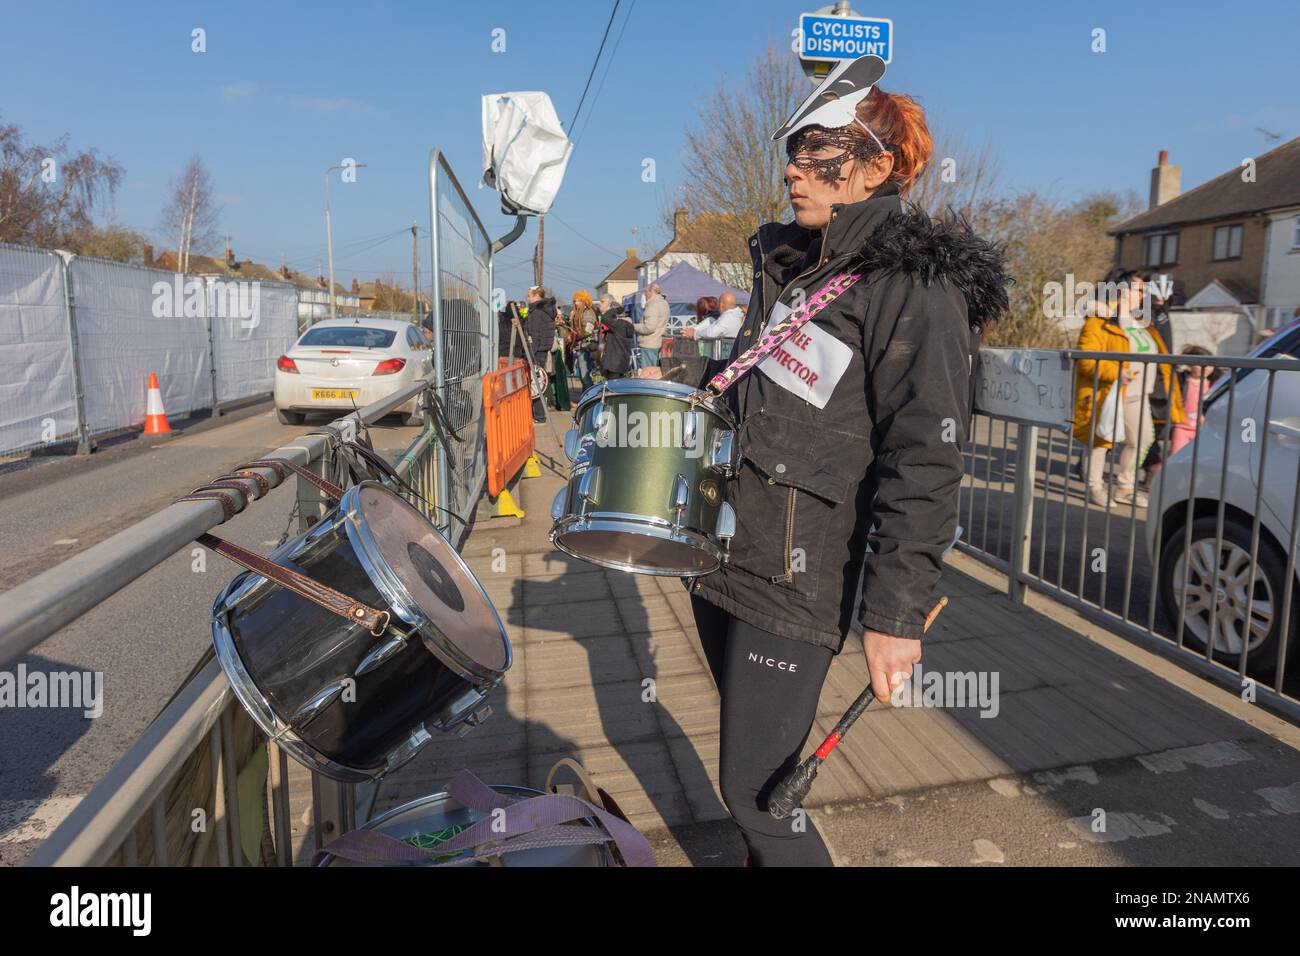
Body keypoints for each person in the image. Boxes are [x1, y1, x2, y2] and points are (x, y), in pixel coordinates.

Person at [686, 54, 1010, 866]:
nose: (793, 168)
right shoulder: (794, 265)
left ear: (876, 165)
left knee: (758, 799)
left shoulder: (915, 287)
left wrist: (895, 618)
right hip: (730, 547)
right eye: (790, 151)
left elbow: (925, 460)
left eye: (816, 152)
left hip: (800, 575)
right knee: (760, 774)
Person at [1072, 268, 1183, 507]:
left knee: (1142, 441)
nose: (1144, 293)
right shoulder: (1098, 322)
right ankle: (1095, 487)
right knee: (1100, 441)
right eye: (1139, 289)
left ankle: (1125, 486)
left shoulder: (1142, 321)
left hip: (1138, 395)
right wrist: (1116, 373)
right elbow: (1086, 361)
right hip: (1109, 393)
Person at [1169, 345, 1214, 457]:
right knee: (1176, 455)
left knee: (1200, 458)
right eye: (1201, 364)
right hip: (1182, 427)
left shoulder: (1214, 383)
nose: (1207, 367)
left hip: (1204, 429)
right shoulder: (1181, 381)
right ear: (1189, 366)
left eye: (1210, 364)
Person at [525, 286, 557, 422]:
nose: (527, 298)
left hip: (537, 352)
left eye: (529, 295)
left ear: (536, 295)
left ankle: (539, 415)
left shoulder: (537, 312)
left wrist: (531, 354)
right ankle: (539, 414)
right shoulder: (543, 311)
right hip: (541, 350)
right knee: (539, 382)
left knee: (536, 383)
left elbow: (535, 336)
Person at [682, 291, 743, 359]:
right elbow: (712, 323)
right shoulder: (734, 315)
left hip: (725, 359)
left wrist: (694, 333)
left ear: (721, 305)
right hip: (726, 357)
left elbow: (712, 332)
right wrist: (694, 330)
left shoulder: (729, 317)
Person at [596, 293, 634, 380]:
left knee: (613, 390)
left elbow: (605, 319)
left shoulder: (620, 325)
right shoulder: (620, 325)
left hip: (615, 364)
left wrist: (615, 310)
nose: (599, 304)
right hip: (616, 363)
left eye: (602, 302)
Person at [632, 281, 669, 370]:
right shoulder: (664, 303)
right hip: (658, 342)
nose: (644, 295)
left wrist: (633, 326)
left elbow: (649, 327)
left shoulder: (653, 306)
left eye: (645, 292)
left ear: (651, 292)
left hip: (649, 344)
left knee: (648, 373)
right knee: (655, 371)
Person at [569, 290, 598, 392]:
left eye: (579, 300)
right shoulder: (578, 313)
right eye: (575, 301)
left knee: (585, 374)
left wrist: (574, 336)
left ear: (585, 301)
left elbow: (587, 331)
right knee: (582, 374)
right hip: (580, 347)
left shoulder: (588, 313)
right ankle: (586, 395)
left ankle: (591, 396)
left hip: (587, 347)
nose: (576, 303)